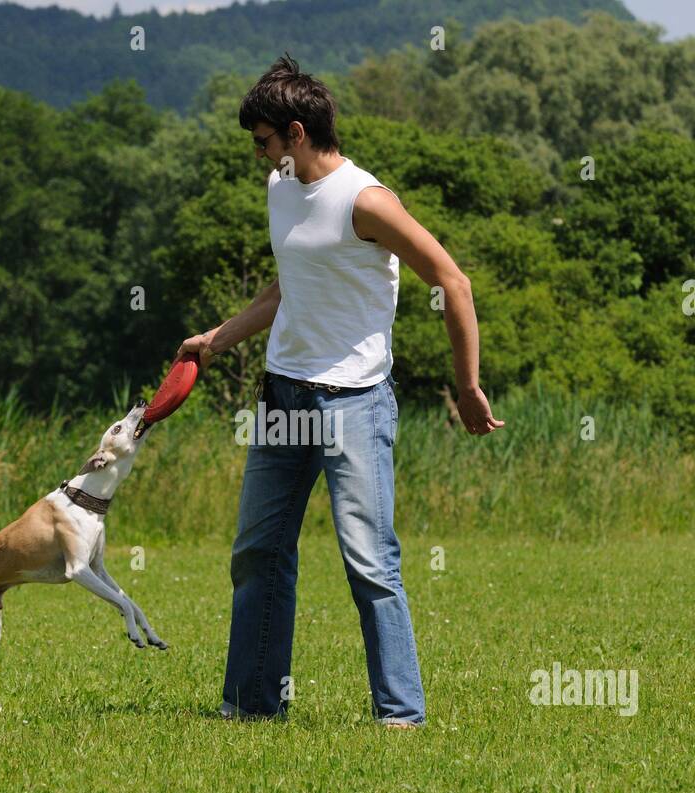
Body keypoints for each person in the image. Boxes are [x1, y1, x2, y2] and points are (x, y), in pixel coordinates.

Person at [174, 53, 503, 728]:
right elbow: (287, 286)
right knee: (258, 552)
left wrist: (467, 385)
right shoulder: (280, 188)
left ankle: (400, 716)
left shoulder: (366, 200)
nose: (258, 155)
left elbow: (453, 281)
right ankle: (252, 706)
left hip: (353, 402)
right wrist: (219, 337)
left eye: (264, 141)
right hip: (283, 397)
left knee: (369, 562)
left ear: (297, 132)